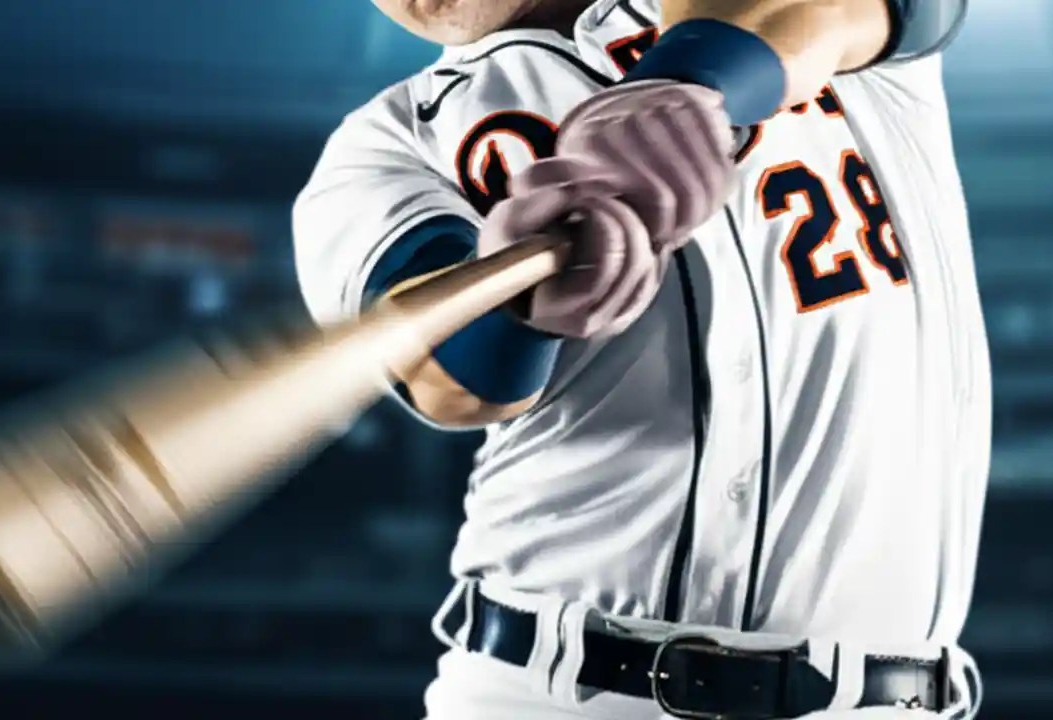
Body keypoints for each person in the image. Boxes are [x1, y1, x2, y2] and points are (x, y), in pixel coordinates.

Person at [294, 0, 989, 717]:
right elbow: (442, 379)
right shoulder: (384, 146)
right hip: (557, 692)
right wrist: (520, 312)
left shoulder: (828, 41)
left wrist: (690, 81)